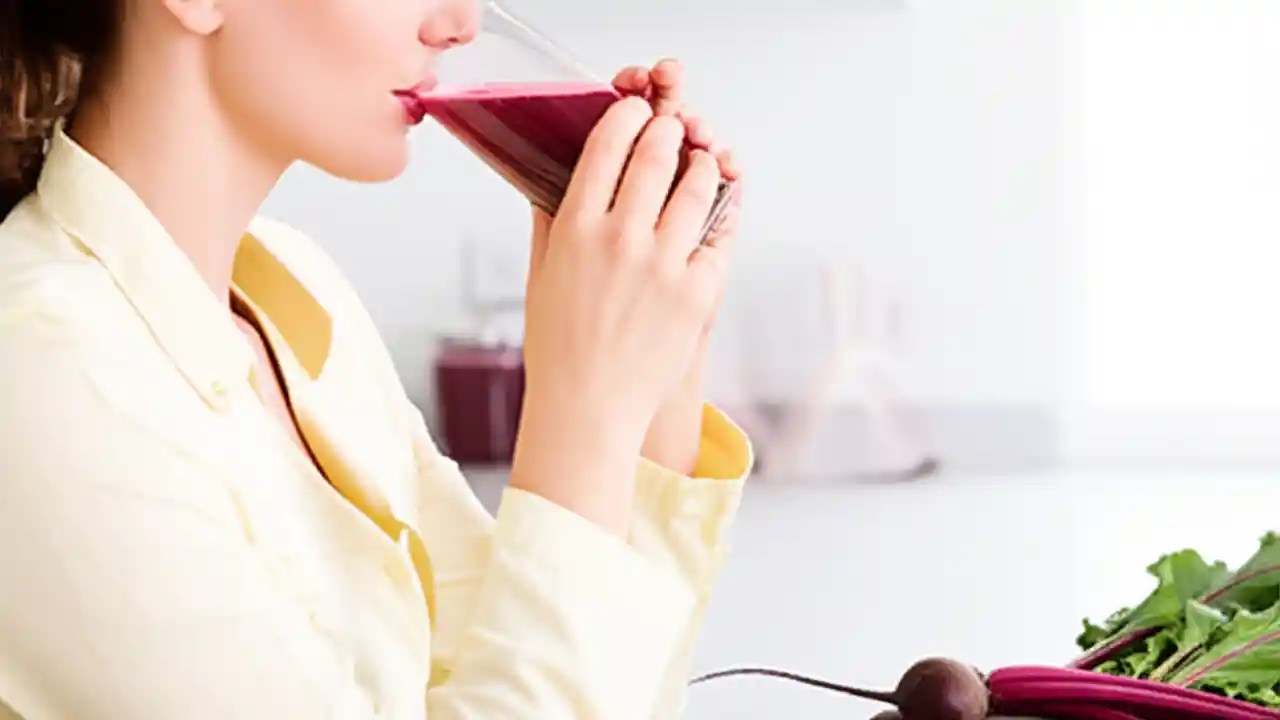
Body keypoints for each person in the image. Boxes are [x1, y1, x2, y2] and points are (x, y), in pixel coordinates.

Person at [0, 0, 752, 717]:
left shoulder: (297, 298)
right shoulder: (42, 374)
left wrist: (654, 363)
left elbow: (587, 691)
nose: (459, 23)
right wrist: (586, 413)